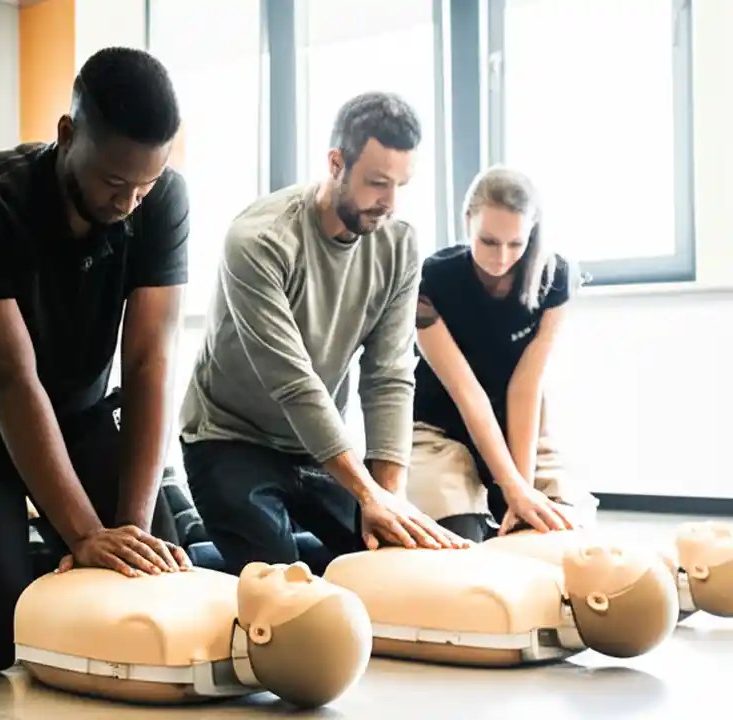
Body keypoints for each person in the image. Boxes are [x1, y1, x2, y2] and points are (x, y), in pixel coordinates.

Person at [0, 47, 192, 674]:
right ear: (67, 135)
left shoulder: (162, 200)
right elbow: (10, 380)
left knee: (158, 587)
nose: (129, 203)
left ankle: (34, 559)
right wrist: (88, 536)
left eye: (145, 186)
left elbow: (149, 362)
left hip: (82, 416)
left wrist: (129, 532)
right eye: (115, 183)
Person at [178, 92, 470, 578]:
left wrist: (388, 500)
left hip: (313, 446)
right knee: (283, 581)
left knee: (383, 559)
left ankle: (235, 538)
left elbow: (390, 377)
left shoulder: (399, 245)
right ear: (336, 164)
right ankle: (189, 543)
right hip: (229, 437)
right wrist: (365, 493)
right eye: (377, 183)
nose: (390, 203)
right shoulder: (259, 241)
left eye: (401, 185)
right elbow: (294, 384)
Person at [406, 166, 593, 542]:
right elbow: (466, 391)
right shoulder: (431, 280)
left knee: (558, 530)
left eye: (515, 243)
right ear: (467, 222)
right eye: (488, 241)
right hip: (442, 428)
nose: (501, 256)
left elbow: (526, 387)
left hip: (520, 426)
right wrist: (513, 489)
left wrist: (521, 493)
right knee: (459, 538)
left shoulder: (554, 278)